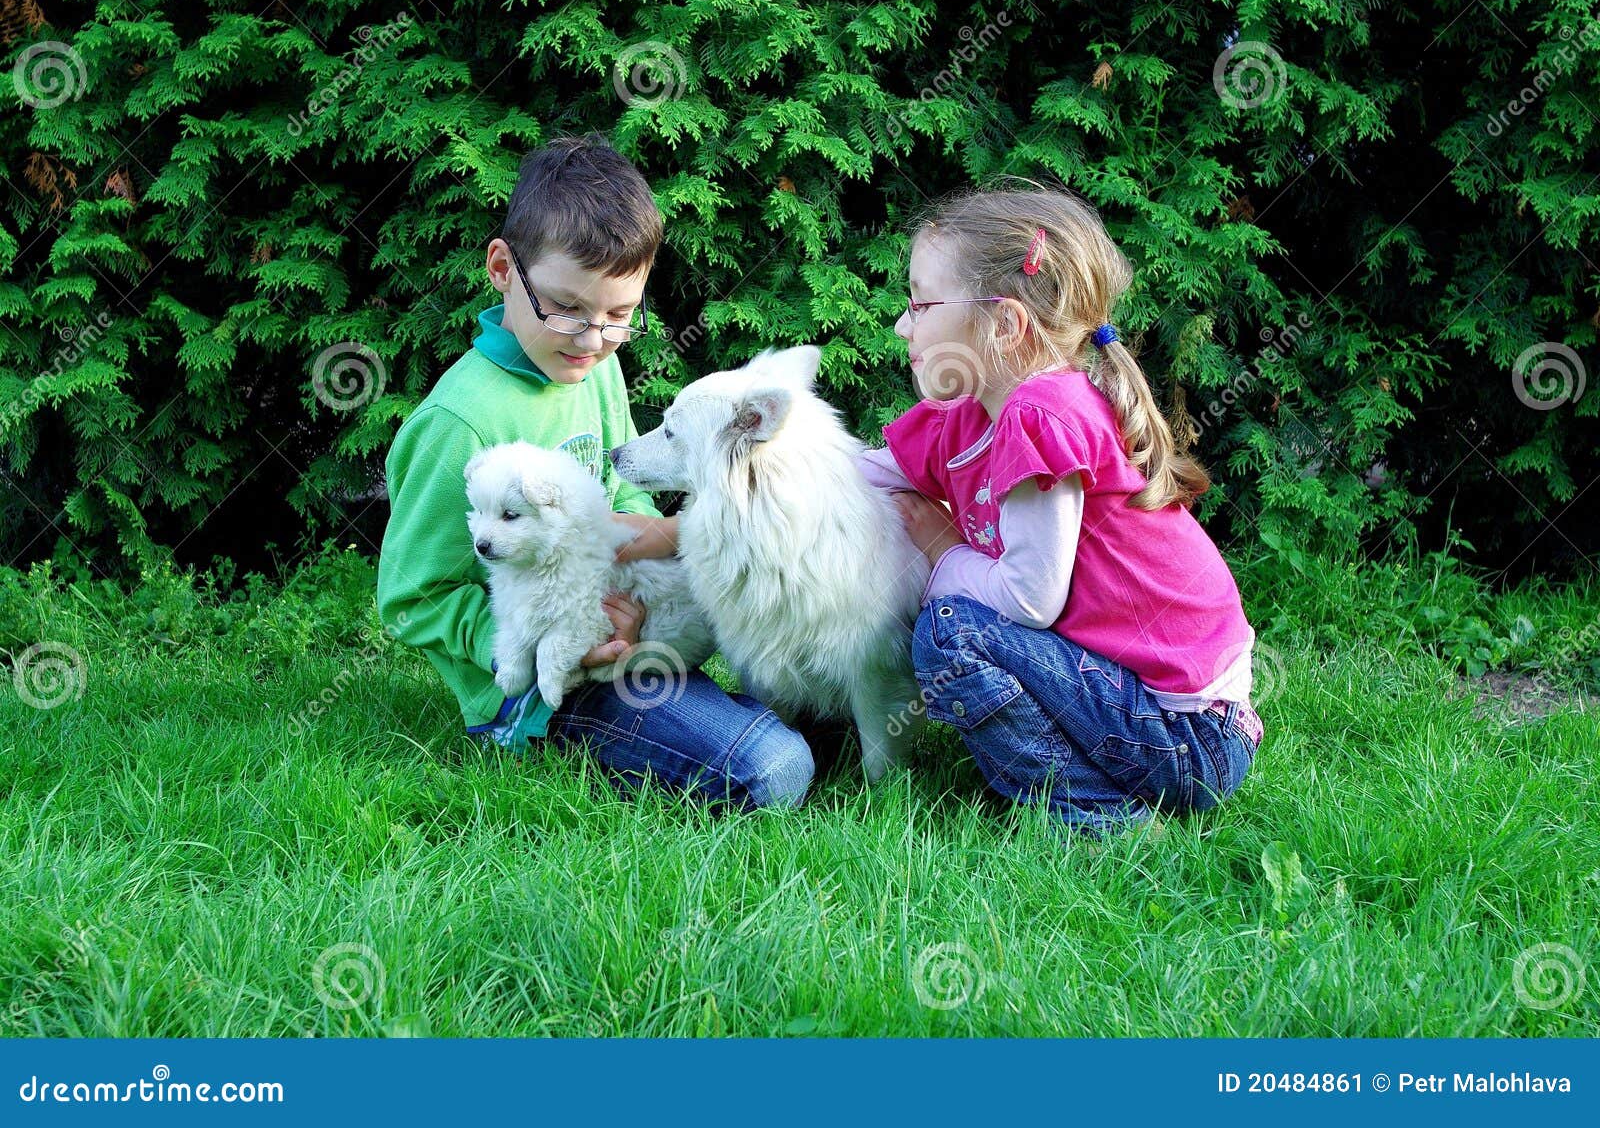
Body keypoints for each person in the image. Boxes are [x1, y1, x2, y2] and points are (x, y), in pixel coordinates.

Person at [376, 134, 814, 808]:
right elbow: (412, 596)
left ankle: (723, 716)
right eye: (566, 307)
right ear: (501, 267)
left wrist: (634, 597)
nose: (592, 338)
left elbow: (622, 489)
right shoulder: (457, 424)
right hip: (544, 692)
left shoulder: (595, 366)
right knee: (777, 768)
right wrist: (545, 640)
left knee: (823, 705)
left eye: (619, 315)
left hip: (631, 636)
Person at [860, 184, 1263, 835]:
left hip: (1191, 736)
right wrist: (771, 456)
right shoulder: (970, 413)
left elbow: (1028, 599)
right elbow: (867, 471)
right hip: (1153, 711)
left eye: (921, 302)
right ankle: (1096, 790)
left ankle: (1101, 819)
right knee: (955, 622)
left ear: (1005, 325)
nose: (903, 324)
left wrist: (940, 553)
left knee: (951, 631)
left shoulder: (1042, 411)